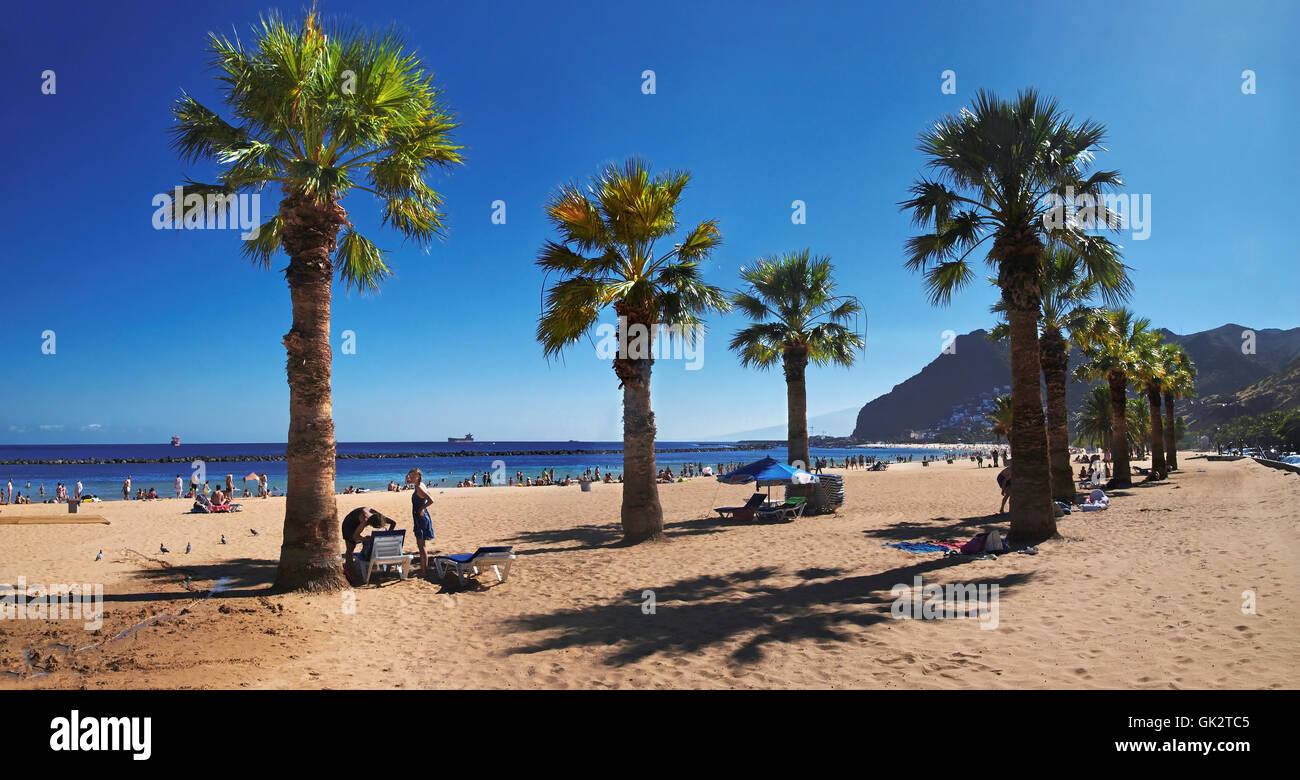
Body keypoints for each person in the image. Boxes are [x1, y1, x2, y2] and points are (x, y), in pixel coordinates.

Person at [407, 468, 436, 575]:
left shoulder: (419, 487)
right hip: (422, 516)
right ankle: (424, 570)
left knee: (421, 545)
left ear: (418, 476)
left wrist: (421, 508)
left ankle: (424, 571)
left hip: (421, 517)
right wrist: (409, 478)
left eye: (413, 475)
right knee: (421, 545)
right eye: (410, 475)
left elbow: (431, 500)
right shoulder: (420, 484)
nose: (410, 477)